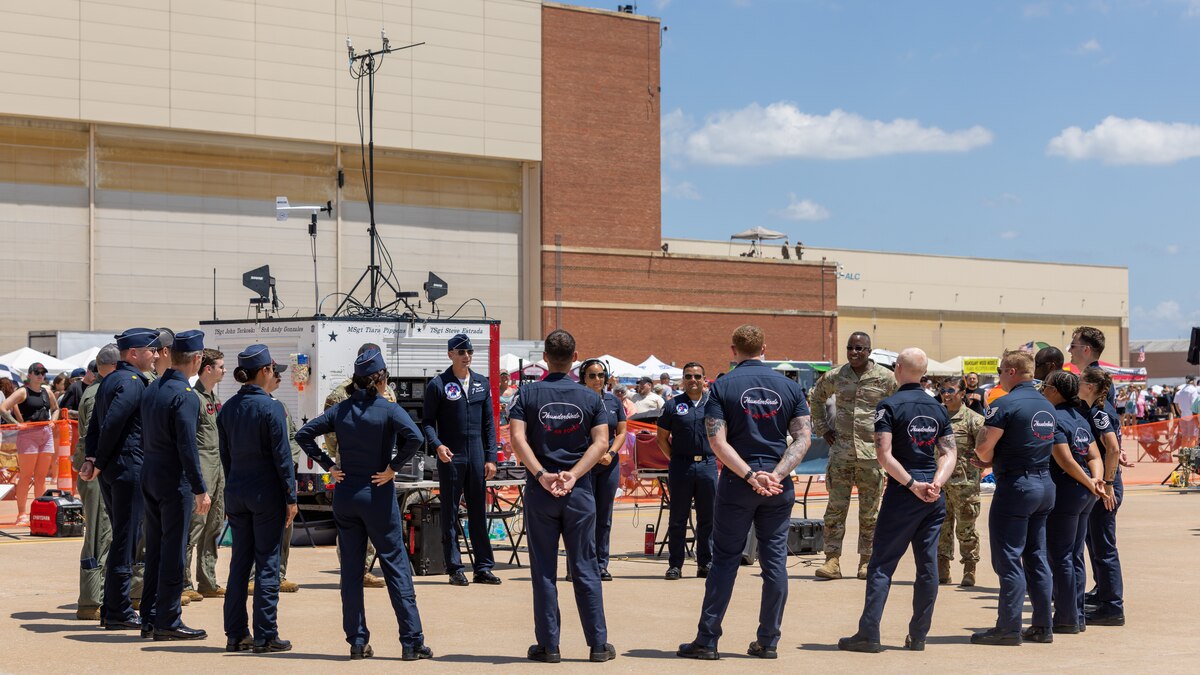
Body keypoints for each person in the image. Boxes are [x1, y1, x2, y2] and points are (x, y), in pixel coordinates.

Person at [677, 324, 811, 661]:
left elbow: (717, 442)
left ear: (733, 350)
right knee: (774, 562)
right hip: (778, 485)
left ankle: (707, 640)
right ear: (764, 348)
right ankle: (768, 641)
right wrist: (776, 475)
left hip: (739, 481)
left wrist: (752, 475)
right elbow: (803, 438)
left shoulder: (721, 387)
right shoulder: (789, 387)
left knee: (724, 561)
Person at [296, 348, 432, 661]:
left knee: (352, 573)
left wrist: (329, 465)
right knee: (396, 568)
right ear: (382, 379)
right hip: (377, 494)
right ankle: (412, 642)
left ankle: (357, 642)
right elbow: (414, 437)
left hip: (346, 494)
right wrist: (393, 468)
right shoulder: (387, 409)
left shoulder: (340, 410)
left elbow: (304, 435)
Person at [508, 329, 615, 663]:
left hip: (542, 493)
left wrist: (541, 474)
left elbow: (517, 439)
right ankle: (597, 644)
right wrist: (574, 474)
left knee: (543, 569)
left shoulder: (527, 394)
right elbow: (601, 442)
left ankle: (549, 645)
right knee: (585, 566)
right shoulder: (591, 397)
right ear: (575, 357)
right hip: (578, 491)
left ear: (545, 356)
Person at [839, 348, 955, 653]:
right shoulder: (939, 408)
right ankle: (918, 635)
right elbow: (949, 452)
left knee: (881, 564)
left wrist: (913, 484)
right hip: (932, 492)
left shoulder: (888, 406)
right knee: (927, 566)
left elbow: (884, 455)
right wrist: (936, 483)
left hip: (905, 491)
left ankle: (869, 633)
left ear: (899, 368)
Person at [970, 349, 1056, 646]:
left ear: (1011, 371)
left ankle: (1008, 627)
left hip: (1017, 486)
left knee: (1008, 558)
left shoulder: (1004, 404)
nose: (997, 375)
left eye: (999, 370)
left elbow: (983, 446)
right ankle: (1043, 626)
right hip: (1045, 484)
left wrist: (988, 458)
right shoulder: (1047, 405)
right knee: (1036, 556)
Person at [218, 345, 297, 654]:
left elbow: (225, 456)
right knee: (267, 562)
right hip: (266, 494)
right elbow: (282, 457)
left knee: (239, 563)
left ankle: (236, 633)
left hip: (237, 491)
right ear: (264, 371)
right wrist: (291, 496)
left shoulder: (229, 408)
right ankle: (266, 634)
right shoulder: (272, 408)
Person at [80, 328, 159, 631]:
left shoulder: (111, 379)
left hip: (114, 467)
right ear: (133, 353)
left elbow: (96, 425)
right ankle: (117, 609)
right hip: (127, 466)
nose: (155, 355)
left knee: (122, 536)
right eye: (150, 350)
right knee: (126, 538)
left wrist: (93, 458)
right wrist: (97, 459)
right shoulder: (132, 382)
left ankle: (114, 607)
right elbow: (111, 422)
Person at [140, 330, 211, 641]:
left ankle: (150, 616)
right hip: (173, 480)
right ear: (196, 360)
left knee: (155, 548)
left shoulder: (153, 389)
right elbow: (187, 446)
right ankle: (168, 619)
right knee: (173, 551)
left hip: (151, 474)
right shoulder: (184, 395)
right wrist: (199, 488)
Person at [808, 332, 897, 580]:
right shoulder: (836, 375)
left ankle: (867, 561)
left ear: (869, 350)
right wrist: (823, 428)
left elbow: (899, 406)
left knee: (870, 512)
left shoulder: (886, 378)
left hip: (871, 455)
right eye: (850, 348)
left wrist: (890, 438)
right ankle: (832, 561)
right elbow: (816, 397)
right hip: (841, 454)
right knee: (835, 509)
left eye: (859, 348)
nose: (854, 352)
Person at [423, 333, 501, 587]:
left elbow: (489, 423)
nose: (466, 357)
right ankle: (455, 567)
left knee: (479, 511)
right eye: (461, 353)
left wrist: (491, 457)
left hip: (477, 455)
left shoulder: (481, 383)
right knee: (450, 512)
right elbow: (426, 423)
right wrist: (437, 445)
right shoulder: (438, 384)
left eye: (469, 352)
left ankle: (483, 566)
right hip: (451, 456)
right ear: (450, 355)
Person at [1042, 370, 1106, 637]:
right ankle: (1076, 615)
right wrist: (1096, 480)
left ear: (1056, 391)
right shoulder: (1079, 419)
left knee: (1061, 556)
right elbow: (1094, 456)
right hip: (1084, 494)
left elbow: (1065, 460)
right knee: (1074, 554)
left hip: (1067, 493)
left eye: (1045, 386)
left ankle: (1067, 616)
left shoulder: (1054, 419)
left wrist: (1092, 482)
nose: (1042, 390)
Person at [323, 342, 393, 589]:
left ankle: (367, 567)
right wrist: (335, 462)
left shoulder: (388, 392)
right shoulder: (340, 394)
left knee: (378, 519)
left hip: (380, 467)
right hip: (350, 466)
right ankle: (353, 569)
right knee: (351, 524)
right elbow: (330, 436)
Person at [656, 361, 716, 580]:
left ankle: (705, 563)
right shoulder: (673, 405)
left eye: (697, 377)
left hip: (708, 465)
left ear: (704, 380)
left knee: (707, 517)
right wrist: (674, 458)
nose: (693, 380)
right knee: (678, 517)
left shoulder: (713, 405)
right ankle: (675, 565)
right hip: (681, 466)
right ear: (682, 380)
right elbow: (661, 438)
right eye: (689, 376)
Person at [72, 345, 118, 621]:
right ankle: (91, 600)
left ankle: (98, 596)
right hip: (96, 471)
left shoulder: (97, 391)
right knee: (99, 535)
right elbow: (93, 439)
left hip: (95, 470)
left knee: (104, 534)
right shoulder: (99, 394)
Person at [1079, 366, 1125, 627]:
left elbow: (1113, 448)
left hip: (1106, 487)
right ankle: (1104, 597)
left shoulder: (1098, 412)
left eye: (1081, 381)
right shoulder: (1097, 409)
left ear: (1091, 387)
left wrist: (1107, 483)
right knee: (1097, 545)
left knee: (1104, 548)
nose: (1077, 384)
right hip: (1104, 484)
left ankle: (1112, 607)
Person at [185, 349, 227, 601]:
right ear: (208, 369)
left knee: (214, 525)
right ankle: (183, 582)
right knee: (195, 527)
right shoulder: (194, 398)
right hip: (202, 470)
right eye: (220, 366)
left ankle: (207, 580)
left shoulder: (213, 397)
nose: (224, 370)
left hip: (217, 468)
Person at [579, 358, 627, 581]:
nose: (597, 379)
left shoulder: (613, 402)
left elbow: (621, 432)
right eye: (592, 375)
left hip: (609, 464)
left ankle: (601, 564)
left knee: (604, 516)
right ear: (583, 378)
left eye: (600, 375)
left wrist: (610, 454)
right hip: (584, 464)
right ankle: (579, 564)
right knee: (582, 514)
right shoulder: (577, 399)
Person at [937, 377, 985, 587]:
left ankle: (969, 568)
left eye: (951, 390)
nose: (946, 394)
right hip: (938, 485)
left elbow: (984, 450)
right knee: (940, 528)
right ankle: (942, 569)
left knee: (966, 529)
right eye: (943, 390)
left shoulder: (974, 420)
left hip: (965, 485)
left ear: (963, 393)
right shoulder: (935, 417)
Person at [1, 361, 60, 526]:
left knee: (41, 476)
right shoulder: (22, 392)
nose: (41, 375)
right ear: (30, 375)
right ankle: (21, 513)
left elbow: (55, 409)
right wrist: (17, 423)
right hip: (28, 434)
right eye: (37, 372)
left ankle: (38, 510)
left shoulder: (47, 392)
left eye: (43, 372)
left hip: (45, 434)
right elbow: (3, 407)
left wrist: (53, 421)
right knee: (26, 475)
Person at [264, 360, 302, 594]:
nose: (279, 377)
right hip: (265, 477)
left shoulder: (282, 406)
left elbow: (294, 438)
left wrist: (291, 461)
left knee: (285, 527)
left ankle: (279, 574)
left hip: (284, 476)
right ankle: (254, 576)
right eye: (275, 373)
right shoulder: (257, 406)